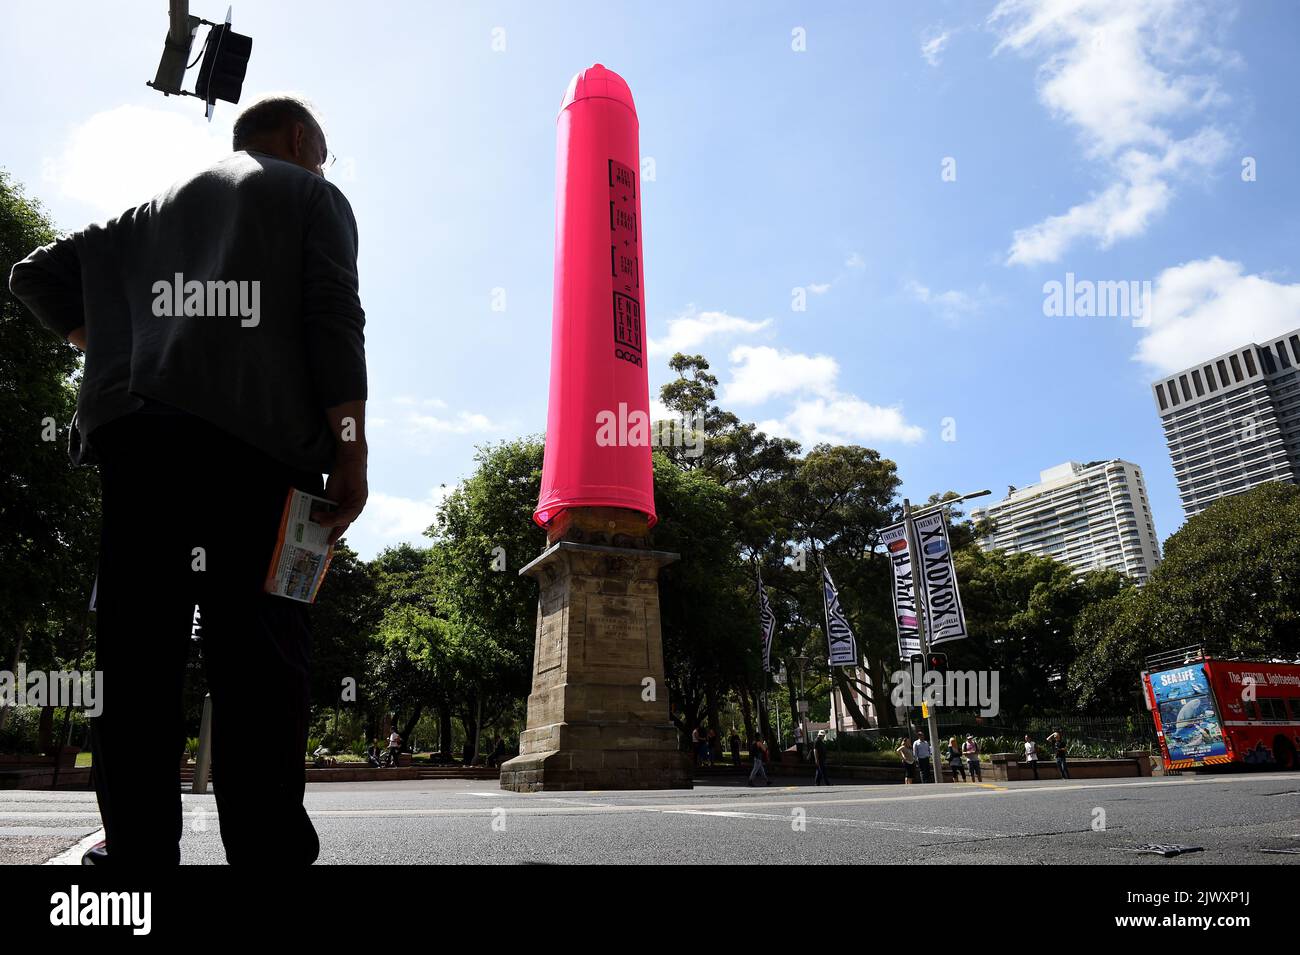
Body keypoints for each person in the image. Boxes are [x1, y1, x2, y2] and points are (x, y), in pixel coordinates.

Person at [10, 95, 367, 865]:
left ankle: (137, 851)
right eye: (322, 151)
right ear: (301, 139)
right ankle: (266, 850)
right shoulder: (310, 193)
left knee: (135, 660)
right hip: (259, 454)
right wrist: (352, 451)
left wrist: (114, 341)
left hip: (142, 453)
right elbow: (333, 317)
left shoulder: (143, 215)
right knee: (262, 661)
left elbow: (32, 275)